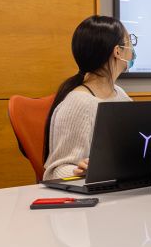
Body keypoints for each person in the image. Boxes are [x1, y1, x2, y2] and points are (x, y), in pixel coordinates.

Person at [43, 15, 135, 180]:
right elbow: (54, 172)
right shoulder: (78, 103)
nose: (132, 49)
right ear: (117, 51)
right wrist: (79, 171)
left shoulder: (119, 94)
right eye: (129, 42)